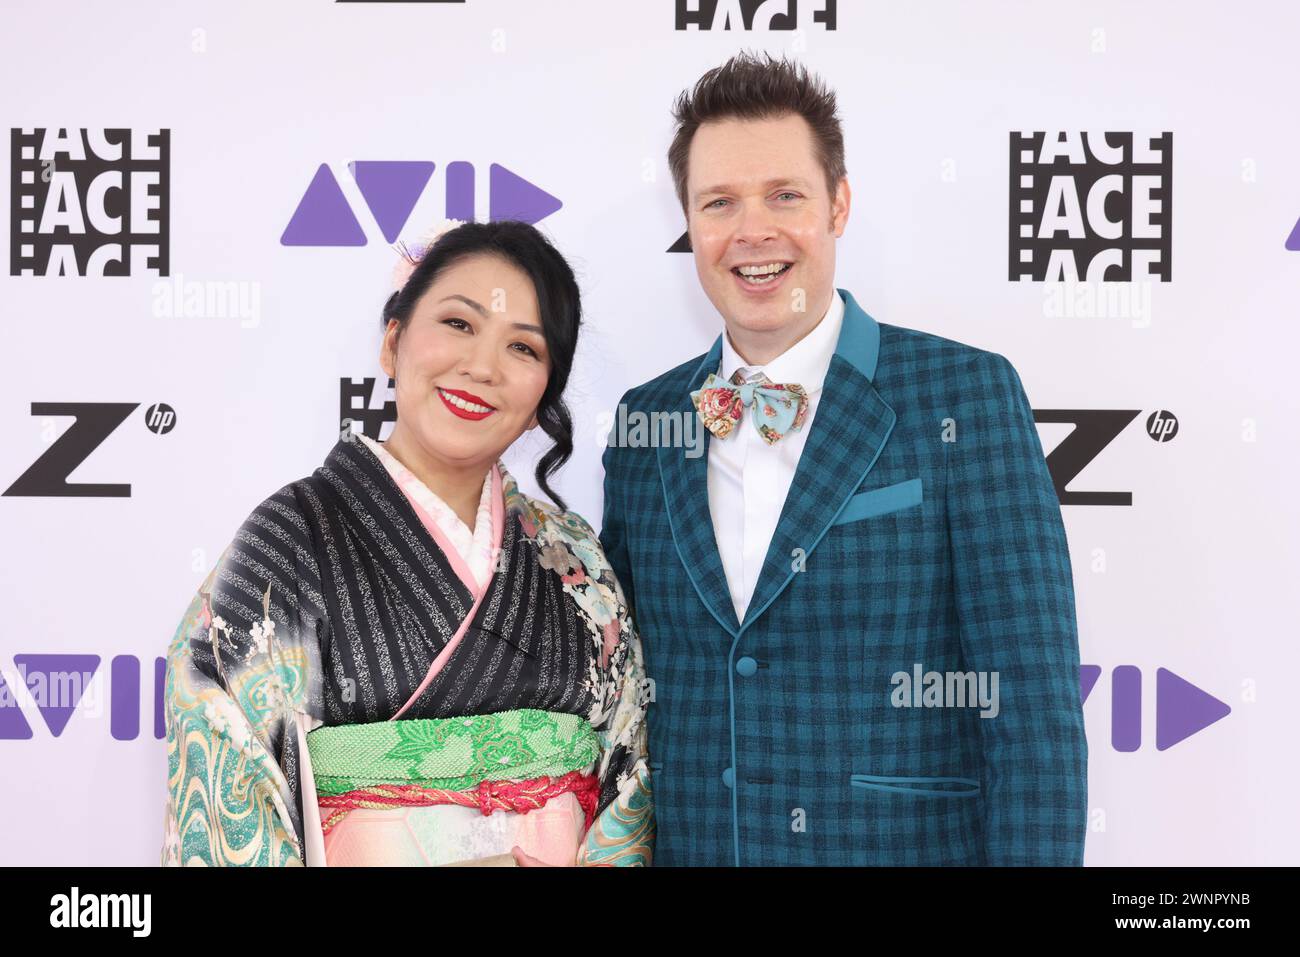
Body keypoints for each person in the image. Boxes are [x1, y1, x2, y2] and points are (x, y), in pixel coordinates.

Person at [599, 52, 1088, 866]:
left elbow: (1032, 715)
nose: (753, 231)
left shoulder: (963, 395)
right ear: (689, 224)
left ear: (838, 204)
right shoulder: (646, 421)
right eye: (719, 202)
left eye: (784, 195)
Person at [162, 219, 653, 866]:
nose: (482, 366)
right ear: (393, 342)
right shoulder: (288, 546)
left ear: (541, 400)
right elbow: (230, 791)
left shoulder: (574, 558)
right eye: (458, 324)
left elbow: (628, 782)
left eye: (523, 349)